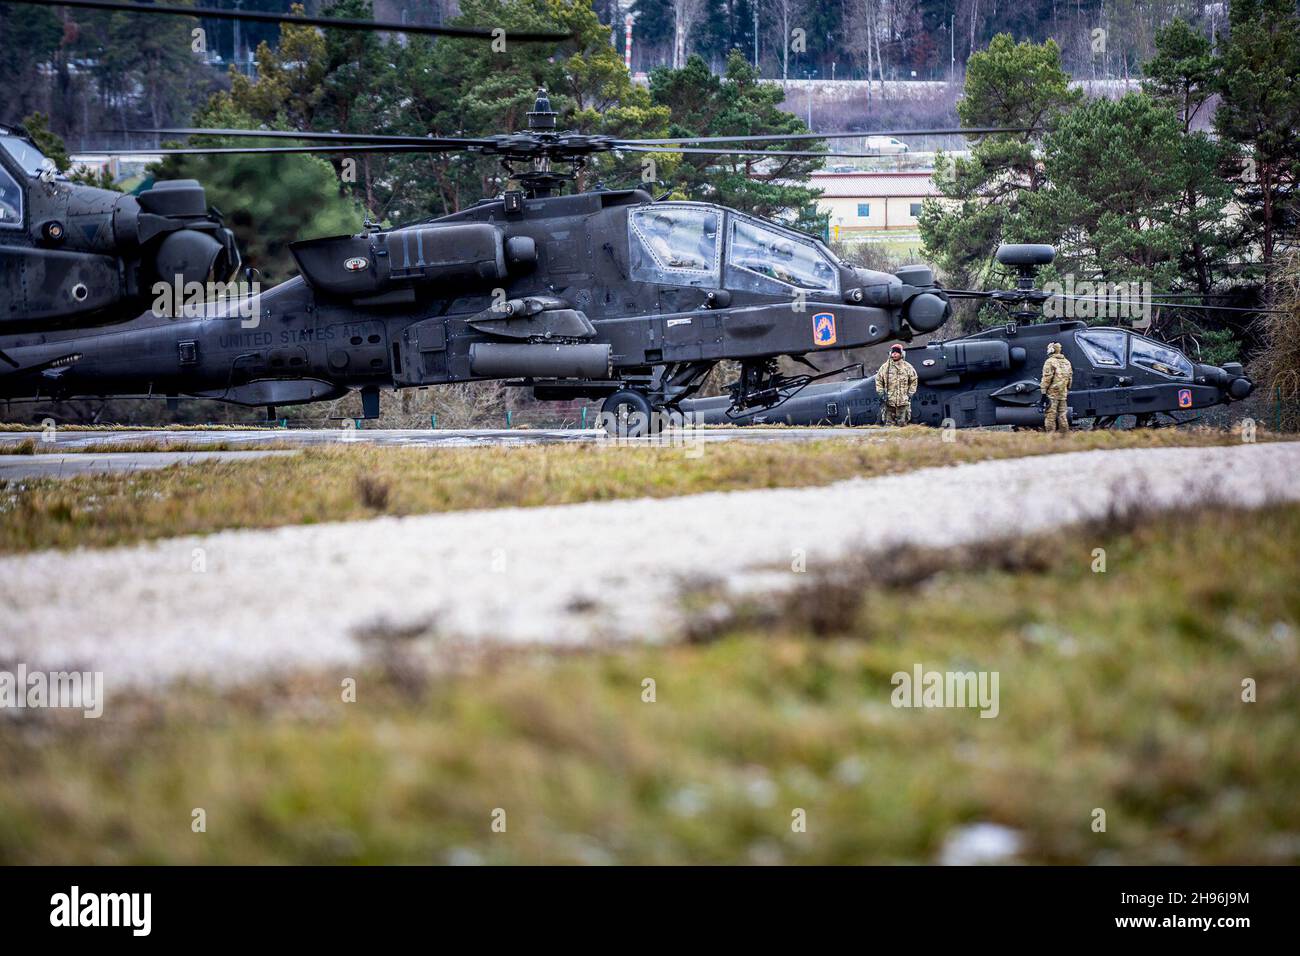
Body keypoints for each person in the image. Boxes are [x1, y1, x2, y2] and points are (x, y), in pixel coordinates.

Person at [876, 343, 918, 426]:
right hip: (889, 402)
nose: (894, 354)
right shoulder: (884, 367)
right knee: (889, 425)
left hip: (903, 402)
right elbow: (878, 380)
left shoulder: (908, 367)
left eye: (897, 352)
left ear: (901, 354)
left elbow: (914, 380)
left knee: (902, 424)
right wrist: (881, 392)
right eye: (893, 352)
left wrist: (910, 393)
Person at [1039, 341, 1074, 433]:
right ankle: (1064, 437)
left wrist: (1043, 392)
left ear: (1051, 350)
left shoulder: (1049, 362)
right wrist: (1066, 389)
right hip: (1063, 393)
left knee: (1050, 415)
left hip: (1052, 394)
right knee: (1062, 415)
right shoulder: (1067, 362)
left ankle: (1051, 437)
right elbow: (1070, 378)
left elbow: (1047, 378)